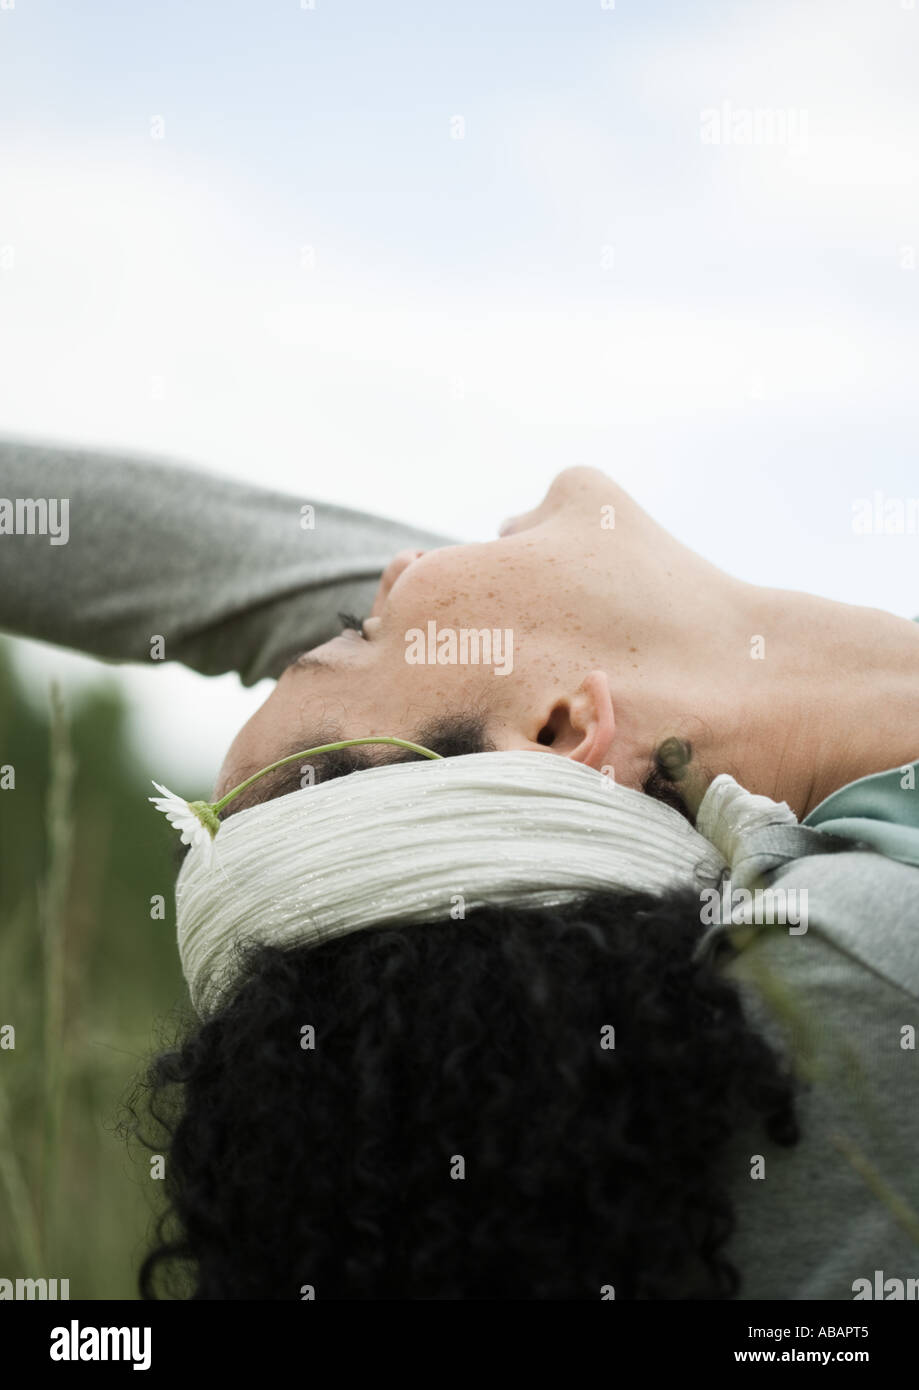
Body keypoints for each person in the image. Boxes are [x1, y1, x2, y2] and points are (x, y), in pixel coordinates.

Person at [2, 437, 918, 1299]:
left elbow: (219, 565)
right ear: (561, 732)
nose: (396, 569)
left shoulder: (721, 851)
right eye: (360, 631)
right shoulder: (862, 964)